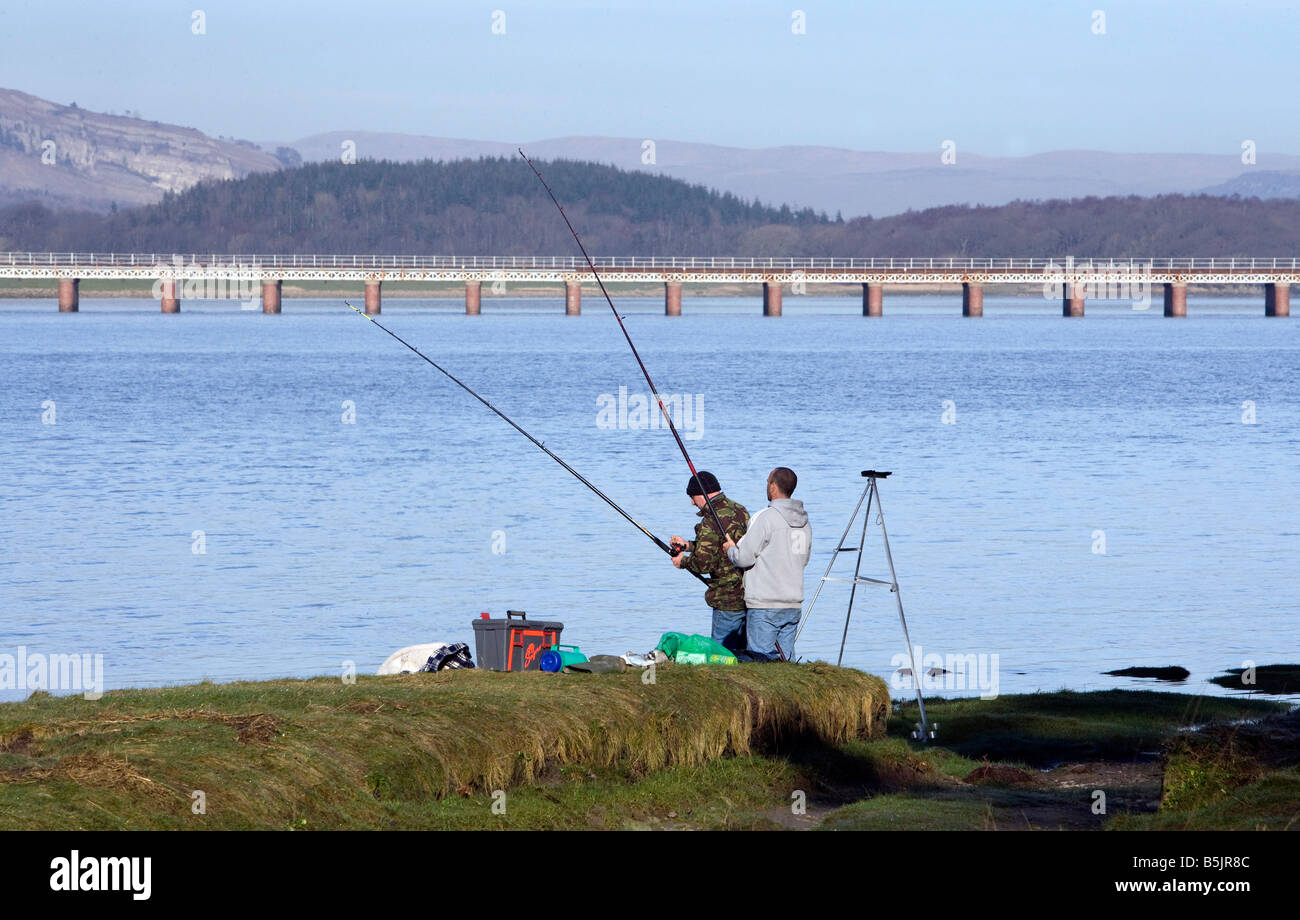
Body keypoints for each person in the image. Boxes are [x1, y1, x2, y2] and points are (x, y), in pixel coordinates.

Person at [723, 467, 811, 662]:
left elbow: (743, 557)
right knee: (786, 663)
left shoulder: (766, 518)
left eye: (767, 481)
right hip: (793, 603)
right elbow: (802, 560)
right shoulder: (804, 522)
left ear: (773, 486)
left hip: (765, 604)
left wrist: (730, 548)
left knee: (761, 663)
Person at [669, 471, 749, 655]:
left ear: (703, 494)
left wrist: (683, 562)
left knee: (721, 655)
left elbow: (704, 564)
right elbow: (721, 547)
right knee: (744, 654)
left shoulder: (710, 521)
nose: (692, 502)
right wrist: (688, 546)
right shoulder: (740, 510)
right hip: (750, 594)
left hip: (726, 598)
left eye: (692, 497)